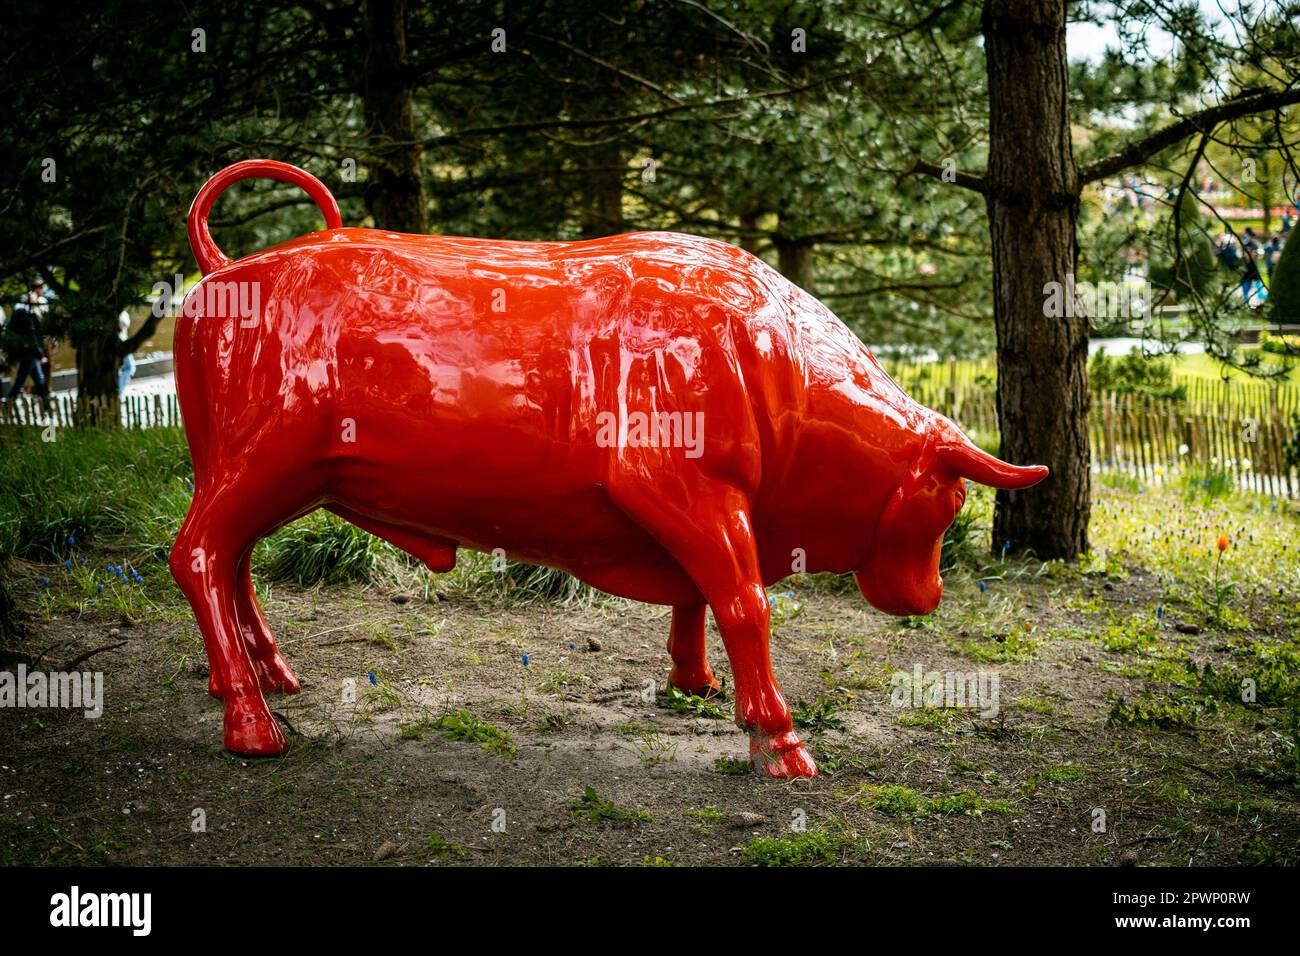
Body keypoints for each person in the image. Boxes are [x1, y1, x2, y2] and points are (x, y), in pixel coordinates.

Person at [2, 280, 52, 410]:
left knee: (38, 378)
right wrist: (40, 354)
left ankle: (46, 404)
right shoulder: (28, 313)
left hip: (25, 349)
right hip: (28, 350)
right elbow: (32, 335)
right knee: (21, 379)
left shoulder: (19, 309)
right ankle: (8, 405)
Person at [117, 309, 136, 395]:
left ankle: (118, 391)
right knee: (130, 367)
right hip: (121, 341)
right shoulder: (121, 313)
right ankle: (119, 392)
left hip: (120, 340)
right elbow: (125, 324)